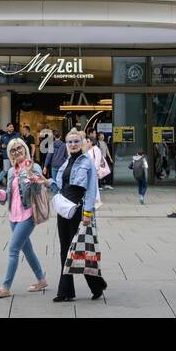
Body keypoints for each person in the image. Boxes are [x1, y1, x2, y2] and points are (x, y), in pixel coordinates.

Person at [50, 129, 106, 302]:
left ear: (82, 143)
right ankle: (65, 291)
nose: (73, 144)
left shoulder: (87, 162)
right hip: (64, 211)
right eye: (70, 142)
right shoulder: (66, 162)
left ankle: (96, 284)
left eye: (76, 141)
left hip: (79, 210)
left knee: (80, 250)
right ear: (66, 145)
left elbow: (91, 190)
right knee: (65, 250)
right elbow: (60, 186)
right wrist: (46, 181)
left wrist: (88, 213)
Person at [0, 138, 49, 298]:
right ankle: (41, 280)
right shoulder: (10, 171)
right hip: (13, 216)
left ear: (25, 149)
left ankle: (5, 287)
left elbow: (38, 190)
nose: (16, 152)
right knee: (27, 250)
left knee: (13, 249)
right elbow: (8, 196)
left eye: (19, 148)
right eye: (12, 150)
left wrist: (30, 173)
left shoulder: (33, 166)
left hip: (28, 215)